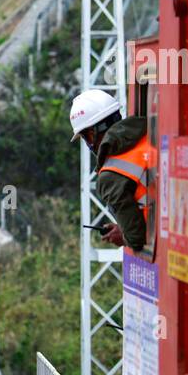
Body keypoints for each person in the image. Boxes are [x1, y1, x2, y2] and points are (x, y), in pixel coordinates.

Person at [69, 89, 155, 252]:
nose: (88, 144)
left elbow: (137, 239)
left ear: (93, 133)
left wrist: (123, 237)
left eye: (86, 137)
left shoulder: (110, 176)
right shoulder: (149, 131)